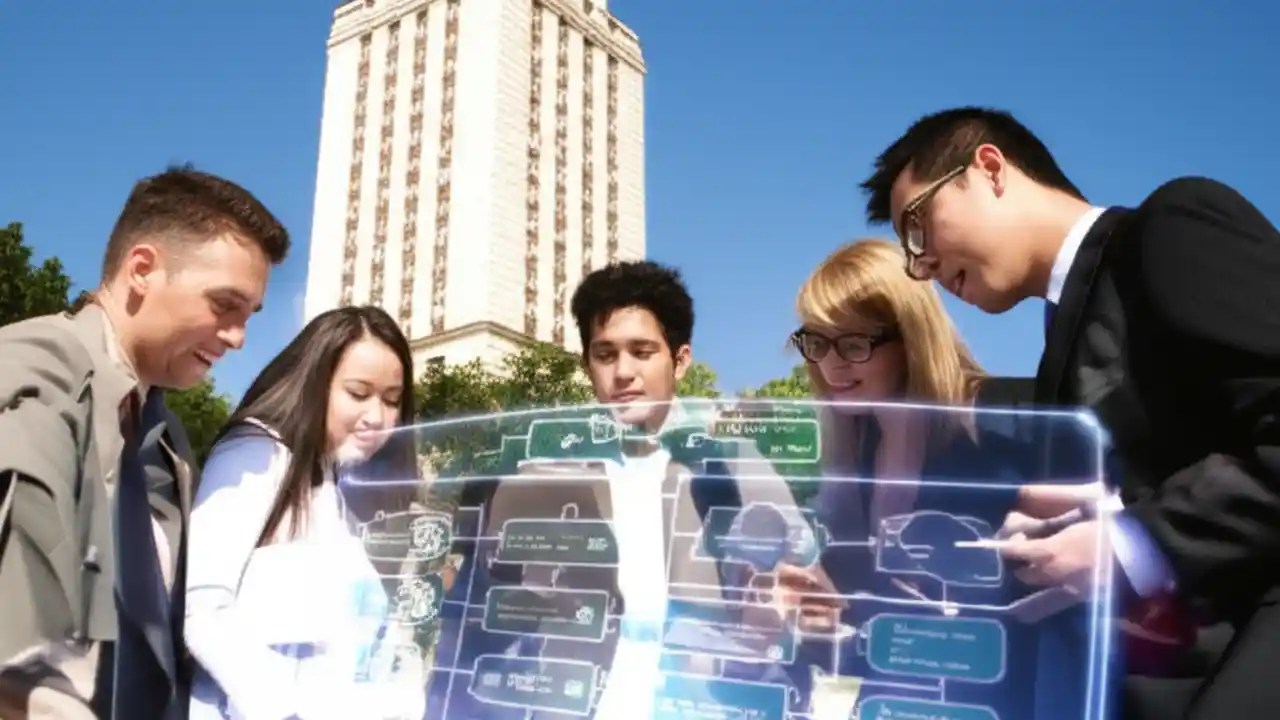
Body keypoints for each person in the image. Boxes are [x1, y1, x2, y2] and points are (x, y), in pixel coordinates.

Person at [860, 106, 1280, 719]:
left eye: (918, 230)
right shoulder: (1063, 335)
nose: (921, 268)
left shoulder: (1172, 228)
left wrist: (1133, 543)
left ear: (989, 168)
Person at [426, 261, 801, 719]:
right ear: (588, 365)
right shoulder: (543, 475)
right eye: (605, 355)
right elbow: (474, 624)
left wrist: (778, 610)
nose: (623, 372)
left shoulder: (734, 465)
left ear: (680, 360)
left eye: (642, 352)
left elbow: (799, 591)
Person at [0, 167, 289, 719]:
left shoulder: (167, 442)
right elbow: (20, 669)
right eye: (223, 305)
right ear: (141, 270)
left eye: (249, 316)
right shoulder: (31, 379)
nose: (238, 337)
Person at [770, 239, 1063, 718]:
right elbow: (871, 633)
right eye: (816, 342)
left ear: (911, 337)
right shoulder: (854, 449)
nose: (830, 364)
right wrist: (817, 612)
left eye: (854, 343)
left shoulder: (1011, 419)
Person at [184, 305, 420, 720]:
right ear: (315, 382)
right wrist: (286, 707)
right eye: (358, 394)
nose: (377, 417)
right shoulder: (255, 457)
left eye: (391, 400)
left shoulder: (338, 487)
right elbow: (202, 610)